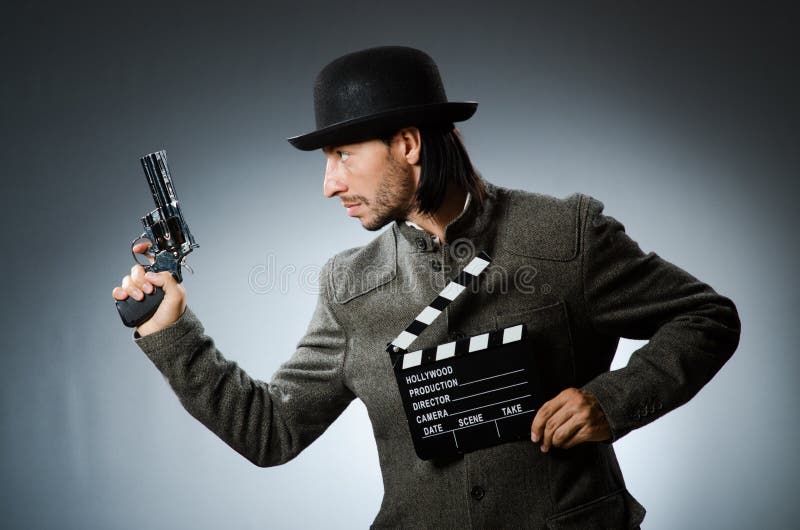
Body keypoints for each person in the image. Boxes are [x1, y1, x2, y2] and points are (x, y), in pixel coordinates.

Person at [112, 46, 740, 528]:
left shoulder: (564, 235)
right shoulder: (349, 287)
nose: (329, 184)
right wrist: (171, 333)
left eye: (343, 155)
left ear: (408, 144)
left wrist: (614, 400)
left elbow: (706, 317)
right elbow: (272, 431)